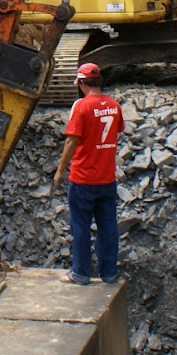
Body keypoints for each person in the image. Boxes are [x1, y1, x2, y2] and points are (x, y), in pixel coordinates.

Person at [54, 61, 123, 285]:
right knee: (108, 227)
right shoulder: (114, 106)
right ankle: (109, 272)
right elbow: (116, 132)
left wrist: (60, 170)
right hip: (106, 178)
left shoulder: (81, 107)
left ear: (82, 84)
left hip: (83, 178)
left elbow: (72, 141)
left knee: (81, 226)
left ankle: (81, 273)